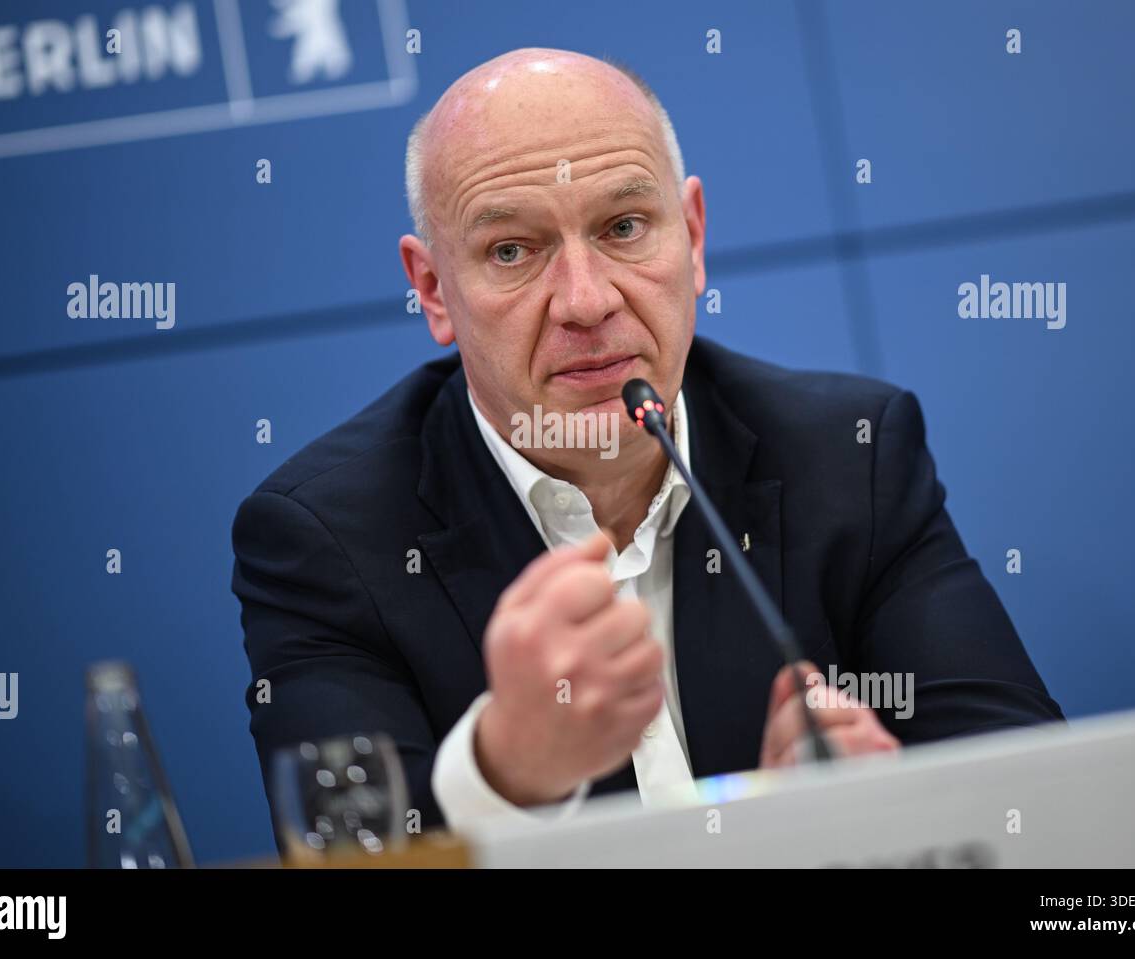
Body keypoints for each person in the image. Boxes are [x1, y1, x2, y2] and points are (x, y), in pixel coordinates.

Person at [231, 47, 1063, 840]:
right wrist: (504, 775)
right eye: (512, 250)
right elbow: (356, 850)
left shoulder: (850, 458)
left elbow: (1036, 799)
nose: (586, 302)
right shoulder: (329, 542)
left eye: (625, 225)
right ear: (433, 290)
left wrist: (883, 819)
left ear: (692, 237)